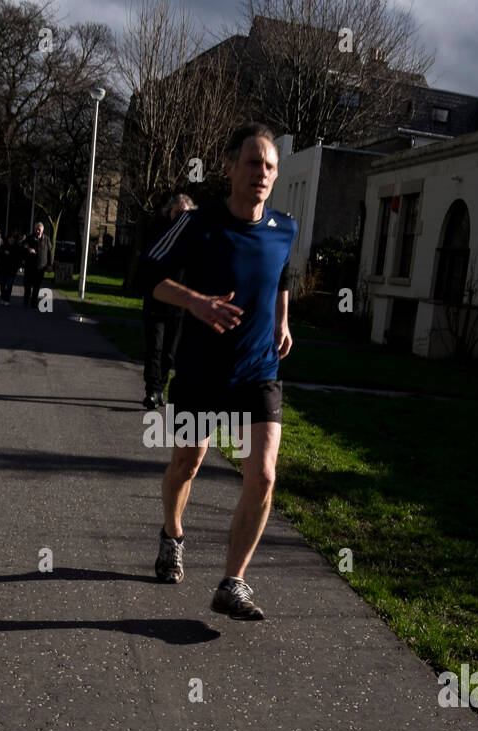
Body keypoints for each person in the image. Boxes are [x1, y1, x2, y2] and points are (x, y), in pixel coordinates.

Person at [143, 123, 296, 621]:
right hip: (201, 372)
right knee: (188, 463)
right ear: (229, 168)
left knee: (265, 475)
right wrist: (197, 303)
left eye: (270, 166)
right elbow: (148, 276)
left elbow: (281, 274)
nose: (262, 173)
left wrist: (283, 320)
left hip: (259, 372)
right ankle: (172, 533)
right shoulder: (199, 223)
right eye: (253, 163)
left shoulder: (285, 228)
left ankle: (233, 581)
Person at [141, 194, 196, 409]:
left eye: (185, 214)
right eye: (177, 213)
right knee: (154, 348)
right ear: (169, 213)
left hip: (179, 307)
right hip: (156, 303)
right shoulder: (159, 233)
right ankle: (152, 390)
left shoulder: (193, 238)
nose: (180, 217)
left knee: (170, 352)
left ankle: (161, 386)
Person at [23, 221, 53, 308]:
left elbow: (50, 252)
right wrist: (28, 249)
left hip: (40, 267)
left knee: (36, 287)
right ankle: (26, 301)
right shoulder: (29, 238)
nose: (37, 231)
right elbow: (24, 246)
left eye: (39, 229)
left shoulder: (46, 239)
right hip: (29, 267)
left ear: (42, 230)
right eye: (36, 229)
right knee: (27, 286)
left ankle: (33, 303)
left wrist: (50, 264)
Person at [0, 234, 20, 304]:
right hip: (2, 270)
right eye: (10, 238)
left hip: (12, 270)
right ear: (7, 239)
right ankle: (3, 297)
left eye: (13, 238)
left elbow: (18, 259)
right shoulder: (3, 247)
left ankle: (7, 299)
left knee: (9, 285)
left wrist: (17, 268)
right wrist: (3, 253)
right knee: (2, 285)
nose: (11, 240)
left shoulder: (17, 248)